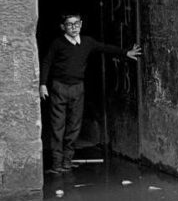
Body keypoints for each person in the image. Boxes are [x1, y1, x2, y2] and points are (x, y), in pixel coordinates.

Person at [39, 12, 141, 174]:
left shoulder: (87, 42)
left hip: (78, 88)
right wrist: (43, 84)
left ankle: (67, 161)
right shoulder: (57, 43)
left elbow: (105, 48)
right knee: (58, 126)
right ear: (63, 27)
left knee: (74, 126)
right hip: (59, 87)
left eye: (76, 24)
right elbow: (47, 62)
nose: (74, 27)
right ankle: (57, 164)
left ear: (81, 24)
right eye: (69, 25)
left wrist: (125, 52)